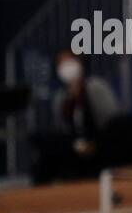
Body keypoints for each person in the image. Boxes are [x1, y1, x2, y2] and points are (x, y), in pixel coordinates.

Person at [30, 50, 122, 185]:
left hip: (99, 142)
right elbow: (62, 128)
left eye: (70, 60)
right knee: (44, 142)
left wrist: (93, 144)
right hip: (74, 147)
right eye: (61, 63)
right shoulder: (60, 98)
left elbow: (112, 121)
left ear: (79, 62)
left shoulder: (95, 87)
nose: (66, 66)